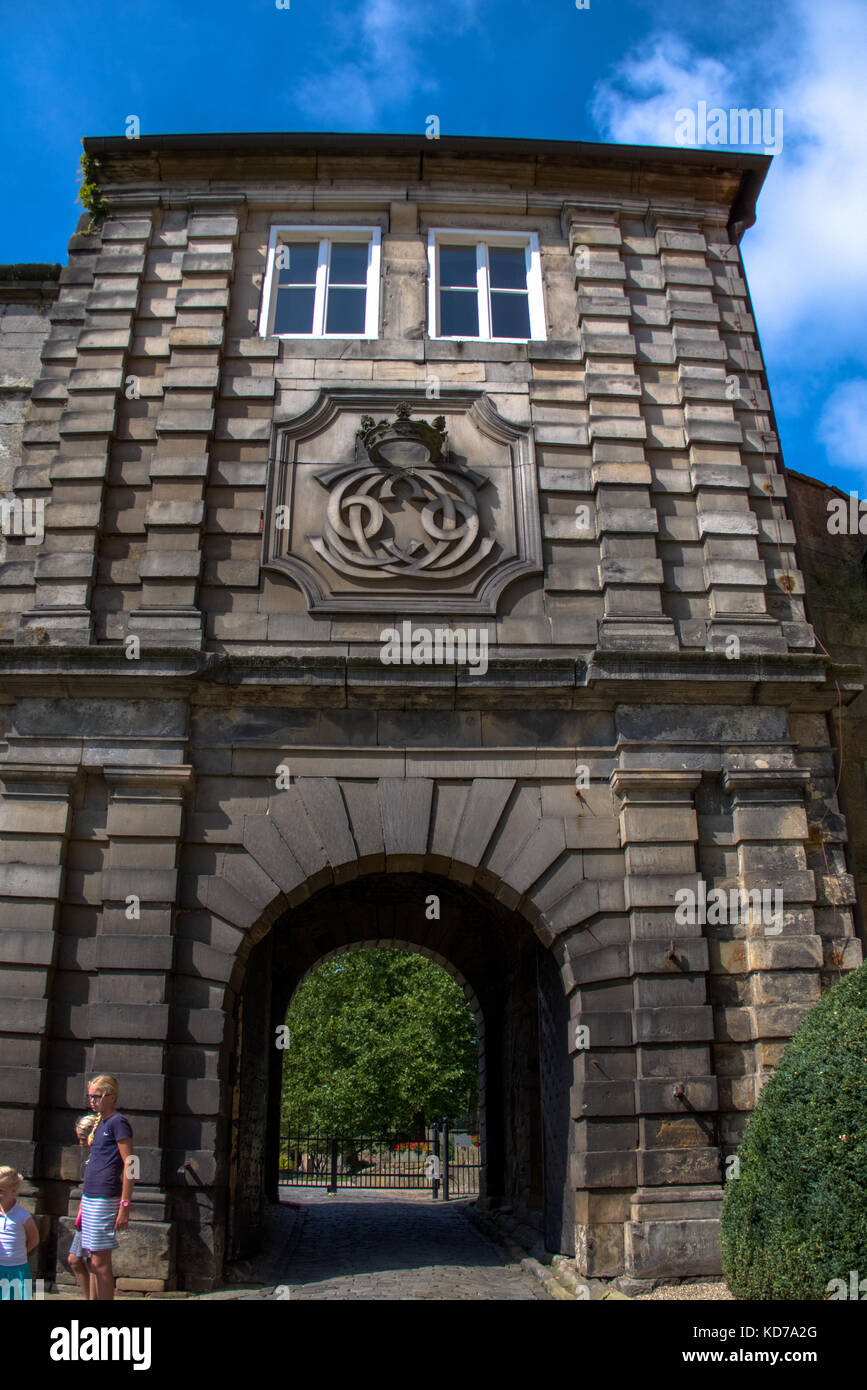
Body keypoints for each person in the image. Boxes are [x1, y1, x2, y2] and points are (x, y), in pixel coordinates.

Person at [76, 1075, 135, 1301]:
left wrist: (125, 1204)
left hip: (105, 1196)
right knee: (92, 1259)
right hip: (91, 1196)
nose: (92, 1101)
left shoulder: (118, 1122)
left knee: (100, 1262)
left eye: (97, 1096)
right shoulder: (99, 1122)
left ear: (110, 1096)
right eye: (90, 1096)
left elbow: (131, 1163)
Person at [67, 1113, 98, 1298]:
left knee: (79, 1259)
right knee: (80, 1260)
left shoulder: (100, 1156)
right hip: (86, 1211)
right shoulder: (92, 1157)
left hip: (93, 1211)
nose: (81, 1143)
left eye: (82, 1139)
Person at [0, 1167, 39, 1300]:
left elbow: (34, 1239)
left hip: (17, 1269)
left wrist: (20, 1254)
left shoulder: (22, 1215)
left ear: (14, 1192)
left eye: (1, 1191)